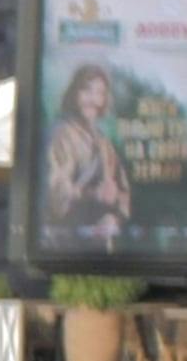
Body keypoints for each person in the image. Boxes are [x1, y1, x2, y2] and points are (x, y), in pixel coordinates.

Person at [40, 63, 127, 245]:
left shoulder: (103, 142)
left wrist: (114, 217)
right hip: (63, 243)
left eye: (100, 93)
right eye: (87, 91)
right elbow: (55, 192)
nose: (93, 100)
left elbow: (122, 190)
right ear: (74, 94)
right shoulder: (60, 135)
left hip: (98, 242)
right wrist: (92, 194)